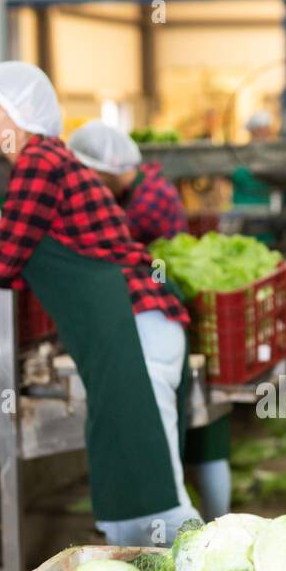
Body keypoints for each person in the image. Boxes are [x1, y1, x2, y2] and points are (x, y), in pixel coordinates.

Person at [0, 62, 200, 546]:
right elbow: (25, 261)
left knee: (154, 488)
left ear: (19, 117)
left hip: (133, 333)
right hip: (134, 327)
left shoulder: (38, 164)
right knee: (130, 474)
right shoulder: (48, 161)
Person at [69, 121, 233, 521]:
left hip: (162, 314)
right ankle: (207, 527)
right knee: (187, 442)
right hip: (165, 318)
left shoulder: (145, 200)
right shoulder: (137, 189)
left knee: (179, 446)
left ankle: (202, 528)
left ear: (103, 169)